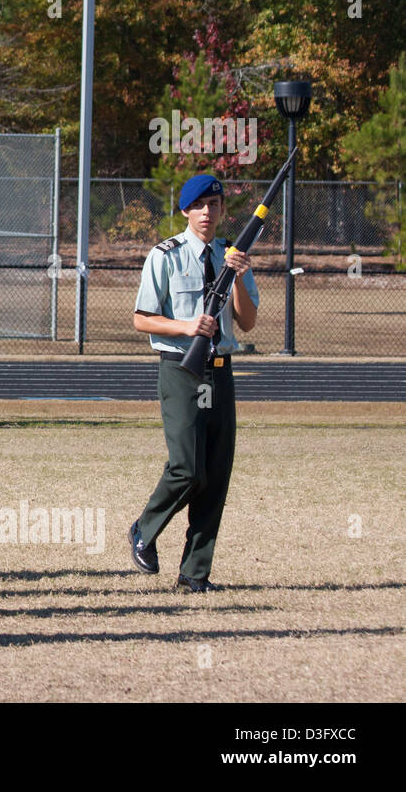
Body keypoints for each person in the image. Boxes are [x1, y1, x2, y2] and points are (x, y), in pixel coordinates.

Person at [129, 174, 258, 593]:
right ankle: (144, 530)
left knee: (216, 473)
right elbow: (142, 318)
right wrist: (187, 327)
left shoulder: (231, 255)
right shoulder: (164, 255)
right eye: (199, 205)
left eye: (214, 205)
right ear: (185, 210)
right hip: (180, 368)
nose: (207, 212)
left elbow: (248, 320)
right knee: (187, 467)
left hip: (221, 369)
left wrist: (237, 276)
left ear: (223, 210)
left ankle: (194, 574)